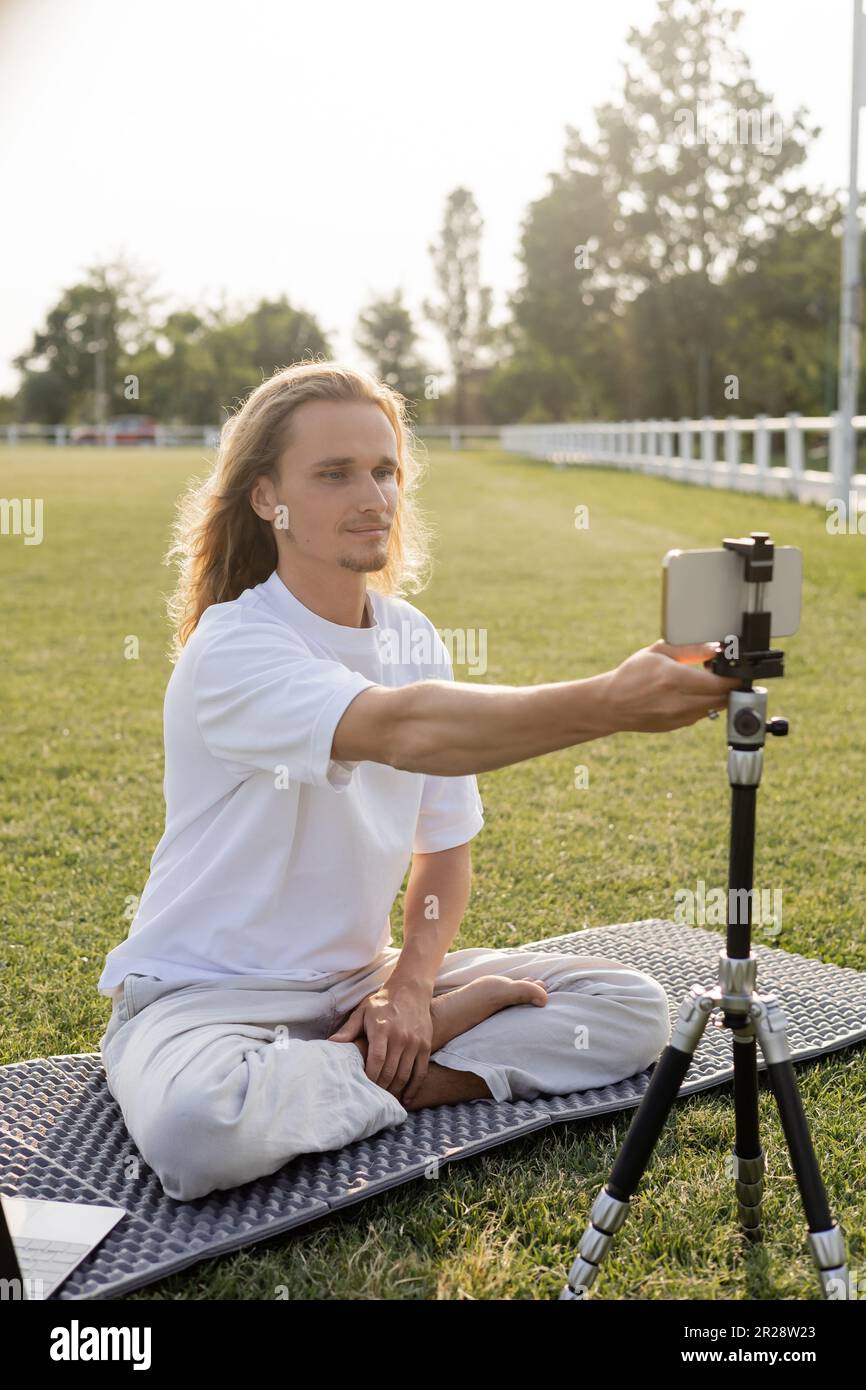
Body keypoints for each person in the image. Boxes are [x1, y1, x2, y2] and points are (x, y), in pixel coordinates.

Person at [97, 360, 740, 1202]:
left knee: (630, 1010)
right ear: (267, 499)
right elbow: (408, 729)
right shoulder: (235, 647)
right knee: (197, 1128)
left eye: (385, 470)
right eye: (334, 474)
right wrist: (611, 702)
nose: (373, 496)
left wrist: (406, 987)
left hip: (363, 985)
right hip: (208, 999)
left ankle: (391, 1064)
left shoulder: (411, 637)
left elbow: (443, 853)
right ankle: (421, 1058)